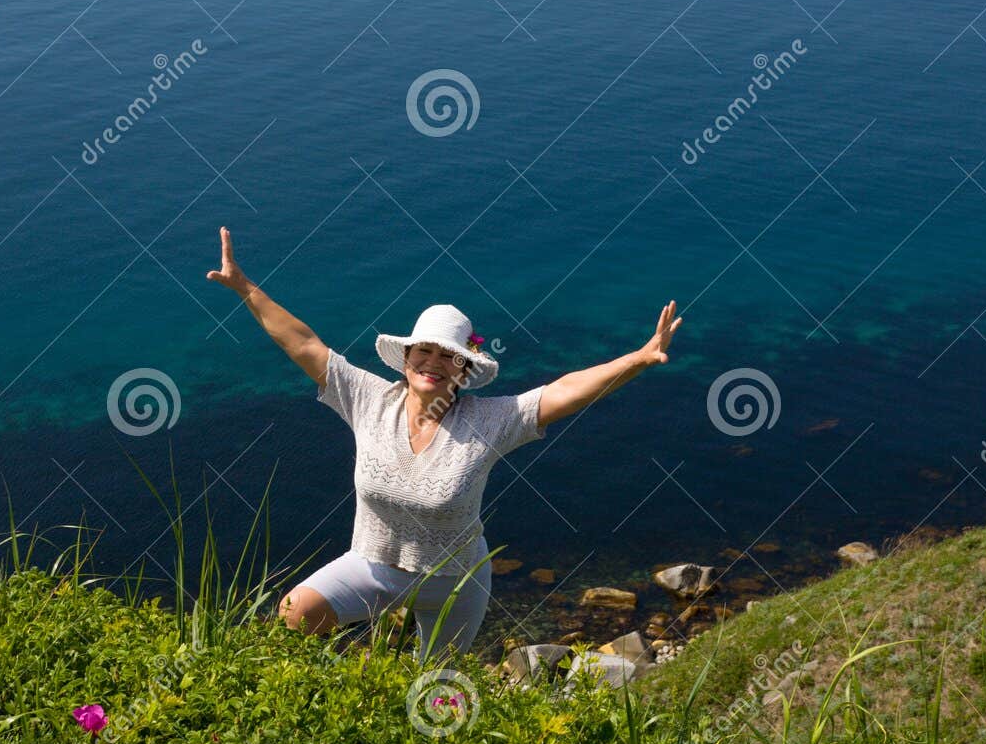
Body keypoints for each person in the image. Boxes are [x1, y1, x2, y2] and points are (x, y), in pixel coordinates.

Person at [206, 226, 683, 661]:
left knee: (433, 690)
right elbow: (304, 343)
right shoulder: (368, 399)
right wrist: (246, 288)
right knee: (293, 614)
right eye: (424, 352)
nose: (433, 363)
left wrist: (638, 359)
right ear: (407, 357)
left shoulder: (491, 420)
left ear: (464, 368)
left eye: (448, 357)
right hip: (371, 567)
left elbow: (562, 391)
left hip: (454, 585)